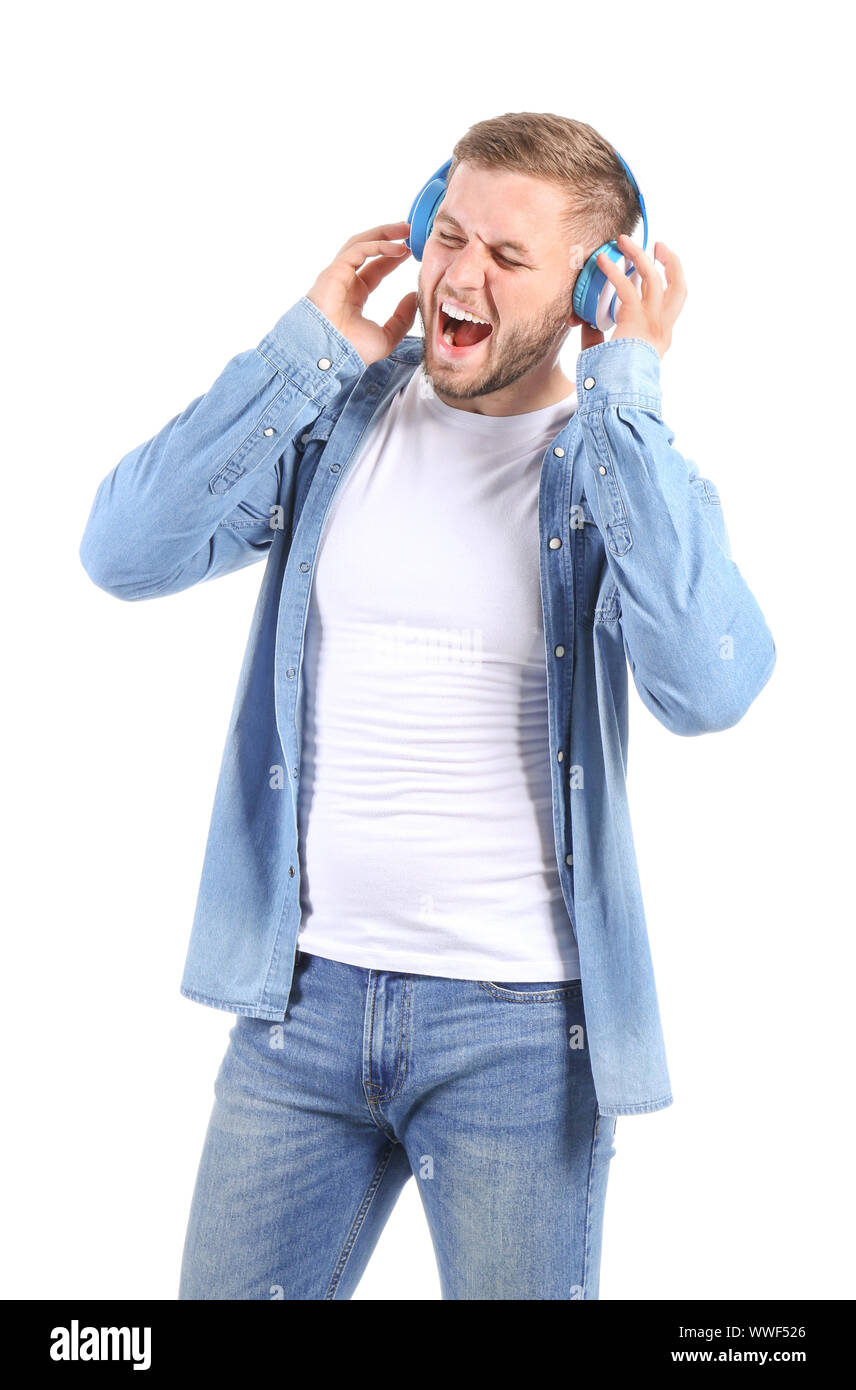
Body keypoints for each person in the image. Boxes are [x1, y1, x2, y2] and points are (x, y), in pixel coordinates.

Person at [79, 113, 776, 1300]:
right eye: (447, 233)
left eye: (509, 257)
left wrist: (630, 391)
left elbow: (709, 685)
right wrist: (304, 351)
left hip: (516, 1036)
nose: (459, 273)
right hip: (295, 1004)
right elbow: (124, 551)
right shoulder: (336, 425)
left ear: (592, 289)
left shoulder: (604, 467)